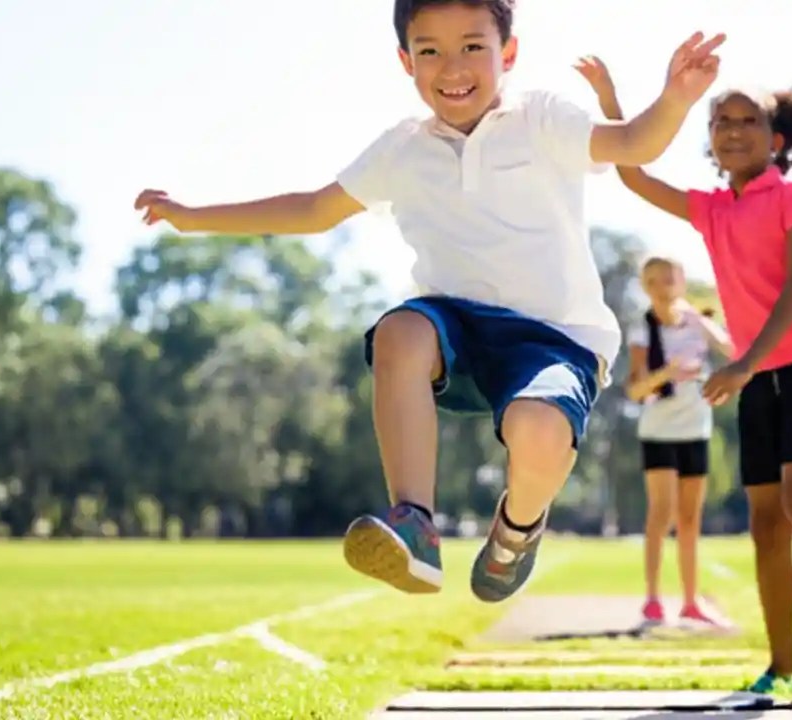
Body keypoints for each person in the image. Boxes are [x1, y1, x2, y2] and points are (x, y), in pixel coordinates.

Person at [133, 0, 726, 603]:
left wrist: (675, 97)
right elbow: (313, 210)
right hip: (458, 330)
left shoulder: (540, 118)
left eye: (472, 47)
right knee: (400, 332)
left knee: (539, 432)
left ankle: (518, 529)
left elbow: (631, 143)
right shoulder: (402, 148)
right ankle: (414, 525)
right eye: (430, 52)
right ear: (405, 62)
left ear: (508, 54)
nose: (452, 67)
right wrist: (192, 217)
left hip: (556, 340)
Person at [576, 56, 792, 695]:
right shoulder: (711, 209)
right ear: (710, 139)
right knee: (766, 520)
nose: (733, 130)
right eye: (721, 121)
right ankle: (781, 666)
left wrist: (743, 361)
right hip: (758, 372)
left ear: (775, 140)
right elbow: (631, 173)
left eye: (748, 120)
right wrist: (611, 95)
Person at [626, 257, 734, 628]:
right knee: (662, 513)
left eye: (671, 279)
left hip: (696, 428)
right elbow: (636, 389)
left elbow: (733, 351)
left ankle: (691, 601)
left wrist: (701, 319)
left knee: (690, 518)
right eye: (655, 281)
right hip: (659, 431)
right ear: (646, 286)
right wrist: (668, 372)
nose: (664, 286)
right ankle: (653, 599)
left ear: (681, 282)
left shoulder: (697, 324)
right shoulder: (643, 330)